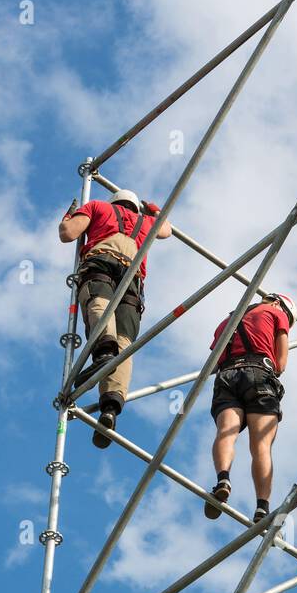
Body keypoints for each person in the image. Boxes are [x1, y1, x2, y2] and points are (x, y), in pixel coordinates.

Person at [59, 190, 171, 448]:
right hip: (133, 278)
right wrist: (152, 209)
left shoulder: (98, 207)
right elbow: (167, 230)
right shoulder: (146, 222)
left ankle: (103, 351)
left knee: (99, 304)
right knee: (125, 342)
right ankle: (110, 406)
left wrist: (69, 216)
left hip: (101, 262)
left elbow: (68, 234)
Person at [204, 294, 297, 524]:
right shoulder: (277, 313)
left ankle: (223, 479)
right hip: (259, 375)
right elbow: (281, 363)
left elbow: (213, 361)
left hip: (227, 376)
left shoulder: (226, 322)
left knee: (226, 434)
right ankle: (262, 508)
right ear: (278, 304)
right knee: (261, 445)